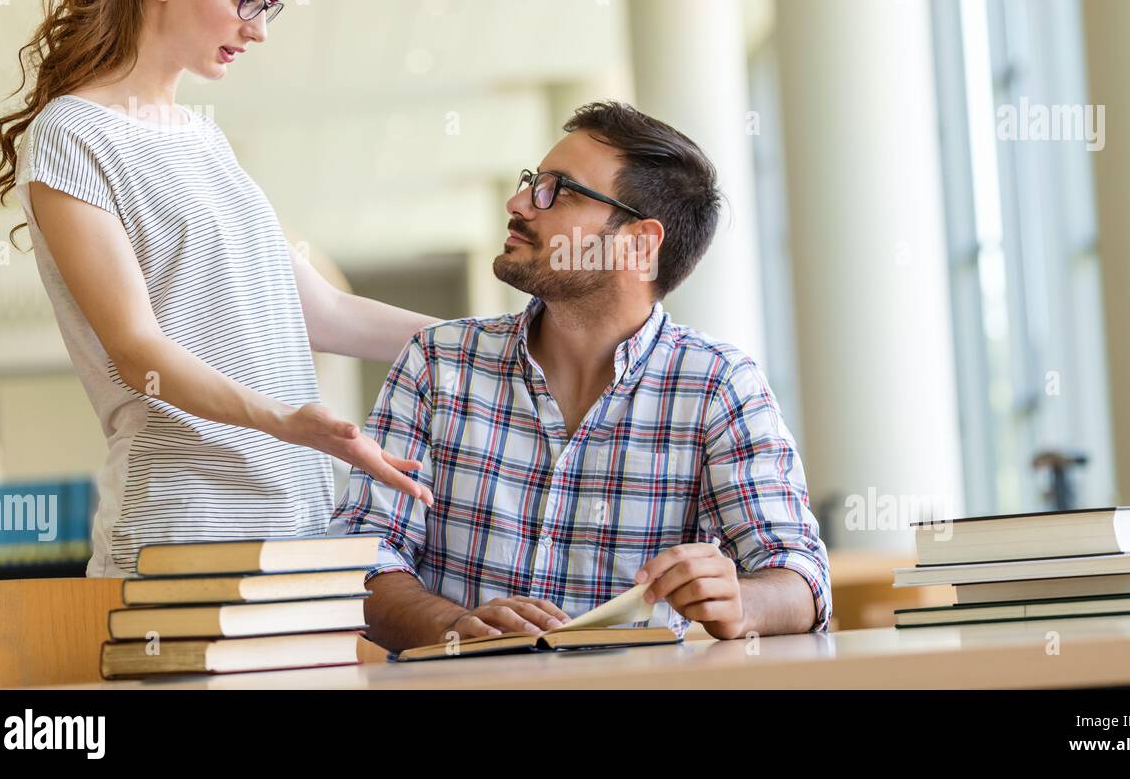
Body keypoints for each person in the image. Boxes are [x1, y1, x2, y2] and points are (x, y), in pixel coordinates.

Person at [0, 0, 434, 577]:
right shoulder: (73, 133)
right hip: (184, 531)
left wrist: (503, 341)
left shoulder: (204, 139)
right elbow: (136, 349)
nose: (258, 27)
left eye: (268, 3)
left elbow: (326, 312)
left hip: (297, 522)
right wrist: (284, 419)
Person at [329, 101, 829, 652]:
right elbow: (361, 555)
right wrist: (453, 628)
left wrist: (740, 599)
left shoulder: (718, 384)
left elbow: (799, 576)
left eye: (556, 190)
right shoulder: (436, 362)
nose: (518, 203)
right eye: (530, 183)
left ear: (639, 244)